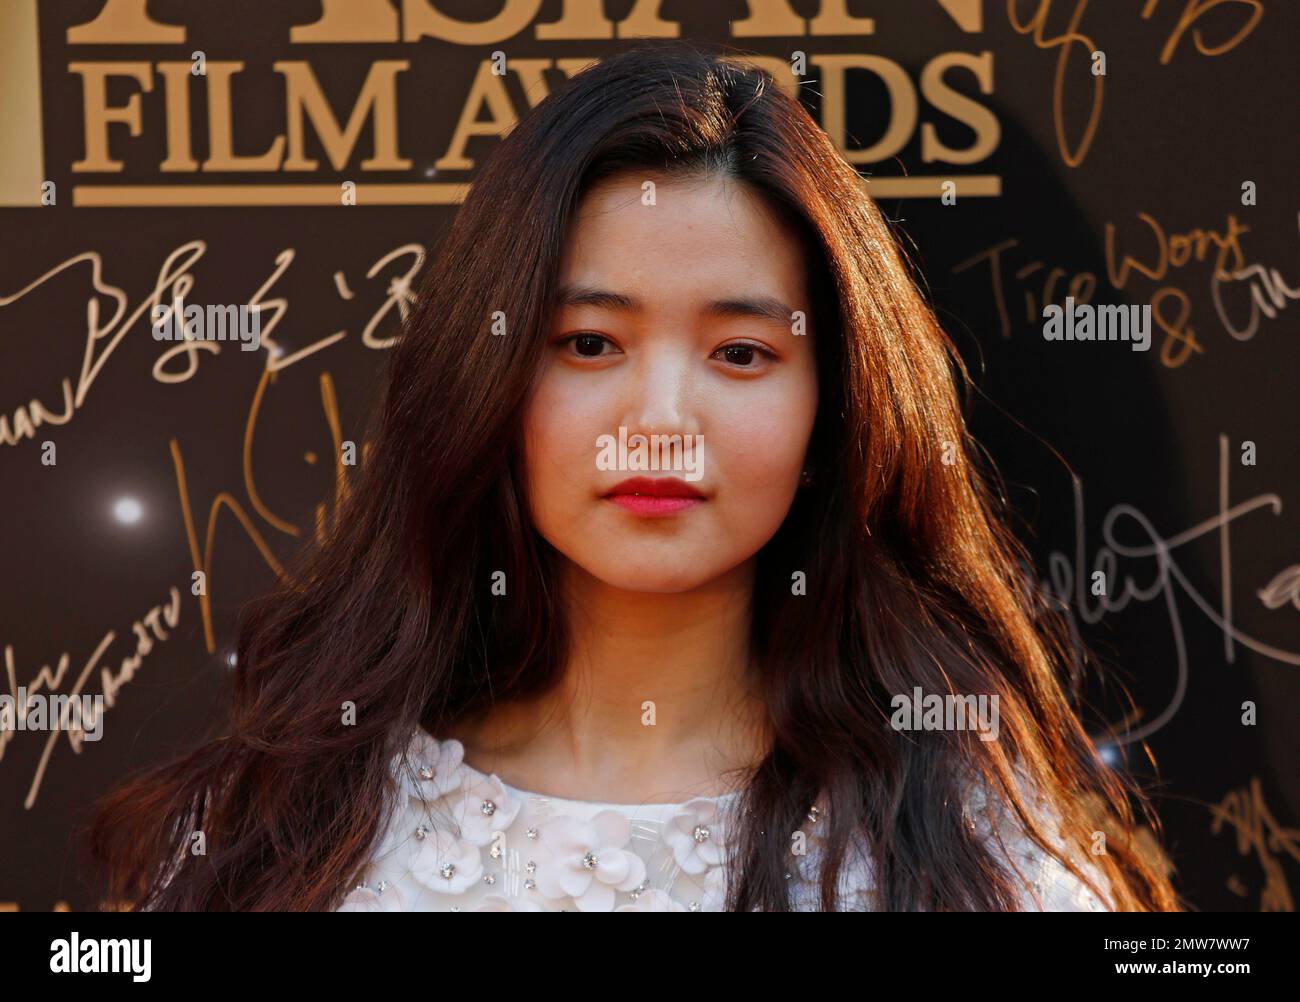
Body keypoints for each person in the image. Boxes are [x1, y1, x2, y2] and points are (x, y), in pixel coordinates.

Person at [84, 40, 1179, 912]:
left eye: (740, 354)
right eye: (590, 344)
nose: (659, 423)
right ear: (488, 372)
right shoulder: (287, 827)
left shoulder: (968, 862)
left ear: (834, 410)